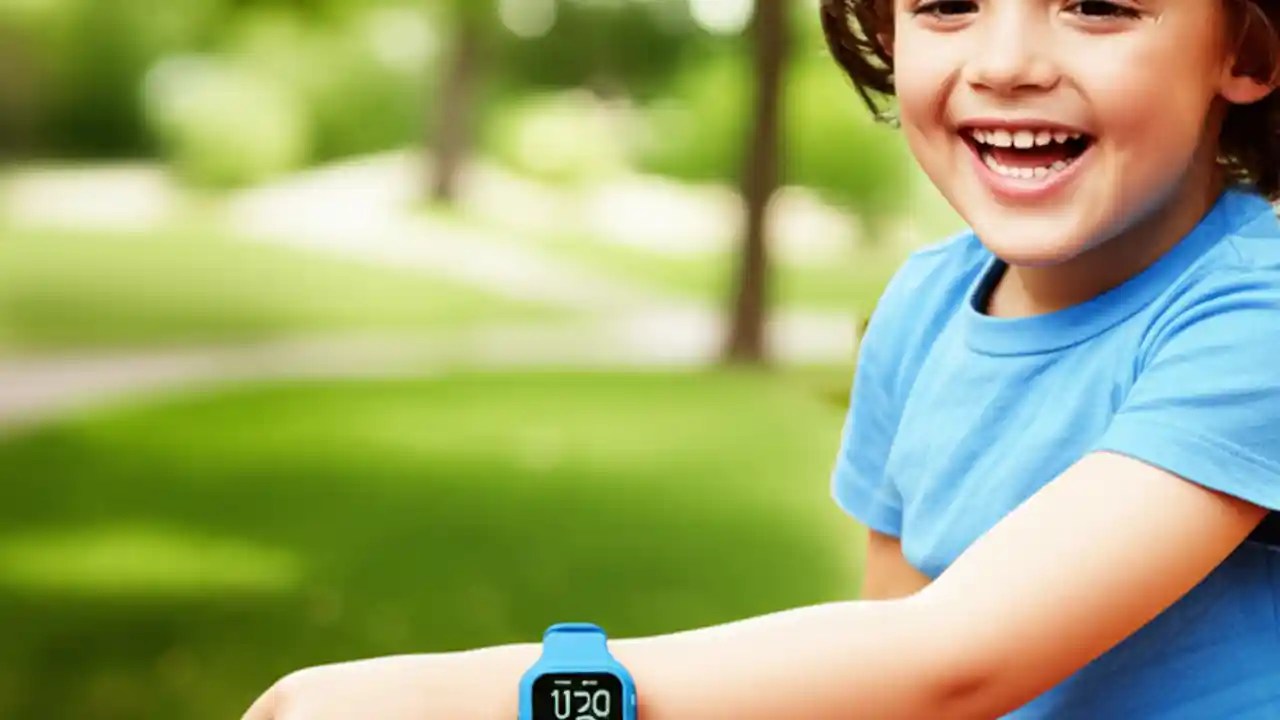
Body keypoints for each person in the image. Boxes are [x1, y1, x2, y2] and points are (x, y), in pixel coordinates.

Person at [242, 0, 1280, 717]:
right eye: (946, 2)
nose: (1005, 61)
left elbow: (953, 662)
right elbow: (884, 669)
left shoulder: (1255, 311)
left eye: (1097, 5)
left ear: (1243, 49)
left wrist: (501, 698)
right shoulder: (921, 308)